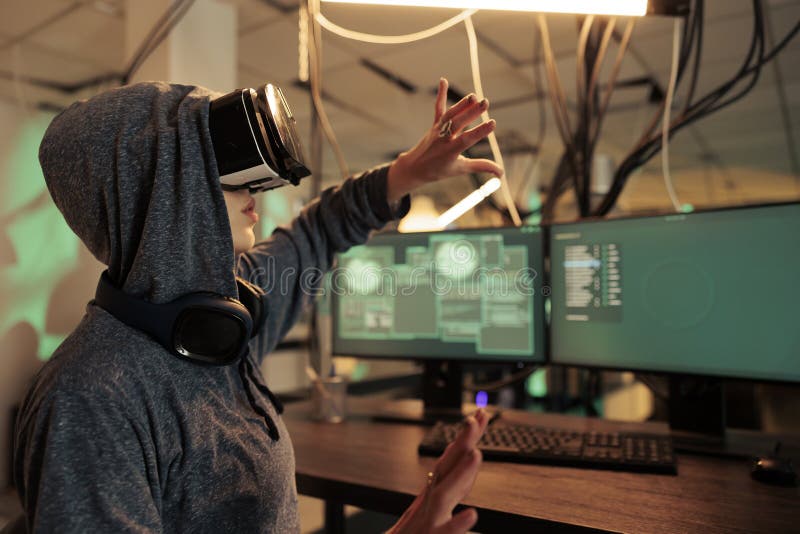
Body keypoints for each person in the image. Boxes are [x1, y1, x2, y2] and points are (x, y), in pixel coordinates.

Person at [12, 77, 501, 533]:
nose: (253, 190)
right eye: (219, 171)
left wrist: (406, 173)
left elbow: (320, 229)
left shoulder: (225, 315)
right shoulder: (92, 400)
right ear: (164, 191)